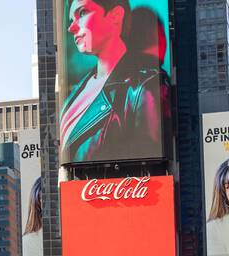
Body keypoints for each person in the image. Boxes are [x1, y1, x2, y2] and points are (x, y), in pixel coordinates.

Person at [58, 0, 168, 166]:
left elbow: (150, 168)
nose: (71, 27)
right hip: (82, 190)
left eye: (82, 13)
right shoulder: (77, 90)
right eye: (71, 20)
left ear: (115, 15)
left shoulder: (142, 88)